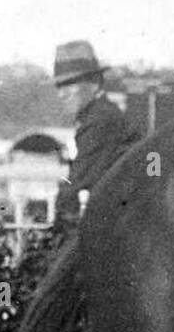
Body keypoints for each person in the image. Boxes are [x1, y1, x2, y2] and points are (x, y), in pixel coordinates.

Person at [52, 40, 140, 214]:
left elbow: (79, 181)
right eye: (59, 86)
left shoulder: (100, 120)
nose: (62, 94)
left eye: (69, 84)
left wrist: (58, 210)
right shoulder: (100, 114)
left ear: (93, 83)